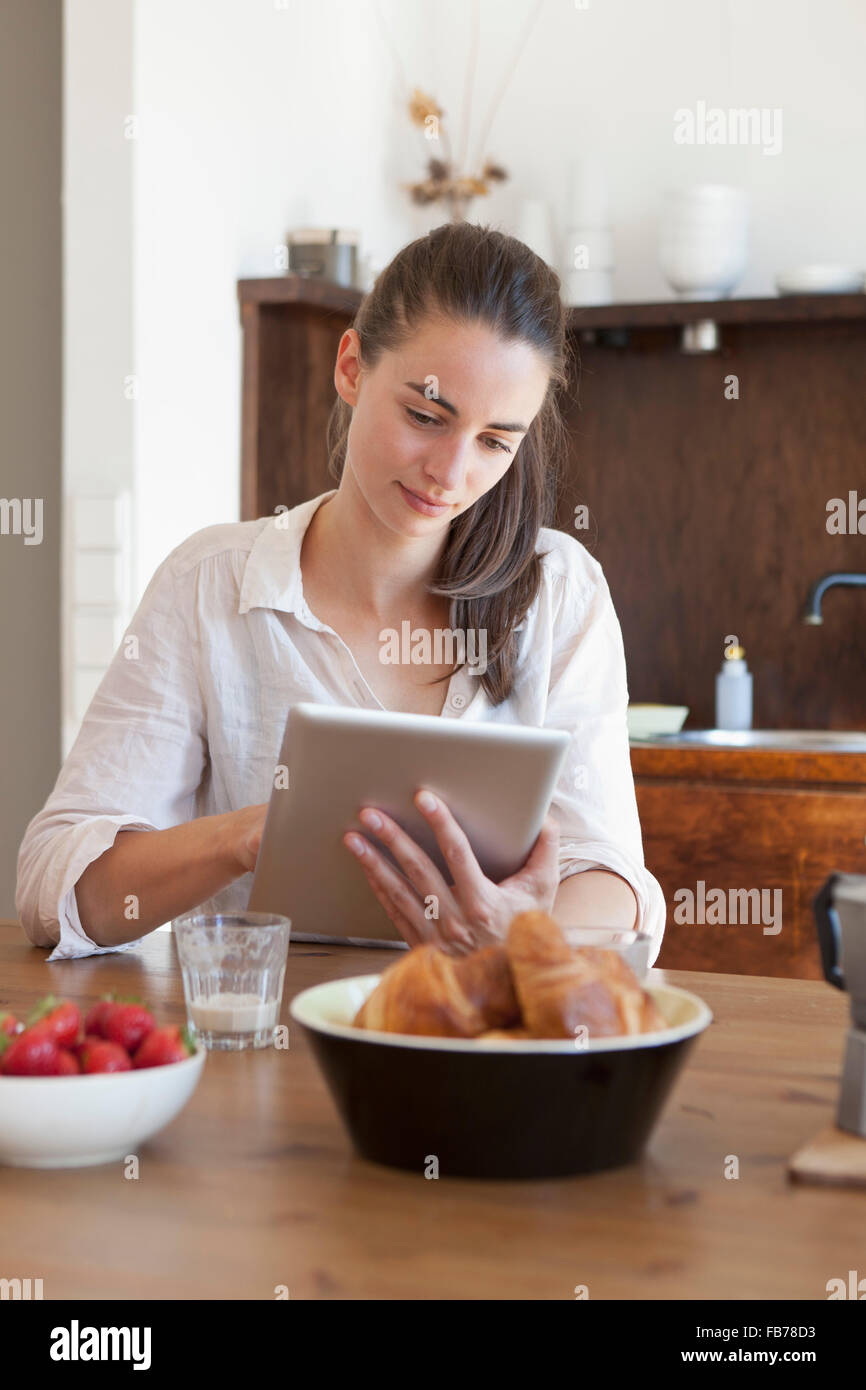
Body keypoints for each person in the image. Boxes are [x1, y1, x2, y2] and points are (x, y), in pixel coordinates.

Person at [16, 221, 666, 964]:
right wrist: (249, 835)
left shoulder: (561, 592)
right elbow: (53, 887)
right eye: (426, 416)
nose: (450, 475)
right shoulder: (210, 587)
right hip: (264, 1052)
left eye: (494, 441)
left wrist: (522, 937)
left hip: (482, 1049)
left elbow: (616, 884)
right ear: (352, 367)